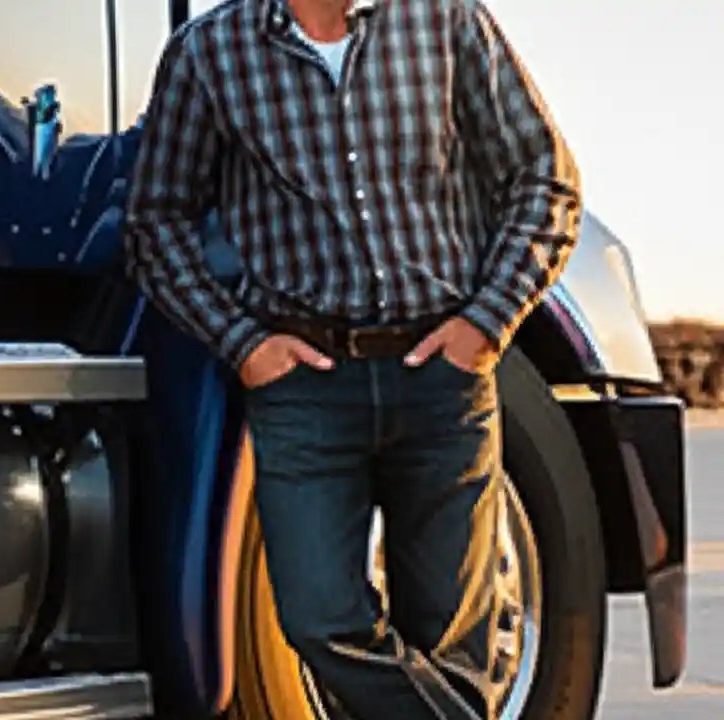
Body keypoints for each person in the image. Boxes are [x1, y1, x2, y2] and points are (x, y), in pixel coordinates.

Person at [122, 0, 581, 717]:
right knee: (319, 619)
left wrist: (485, 325)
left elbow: (545, 178)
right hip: (307, 390)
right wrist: (244, 344)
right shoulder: (210, 51)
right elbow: (155, 223)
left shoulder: (444, 21)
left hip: (441, 381)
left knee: (453, 639)